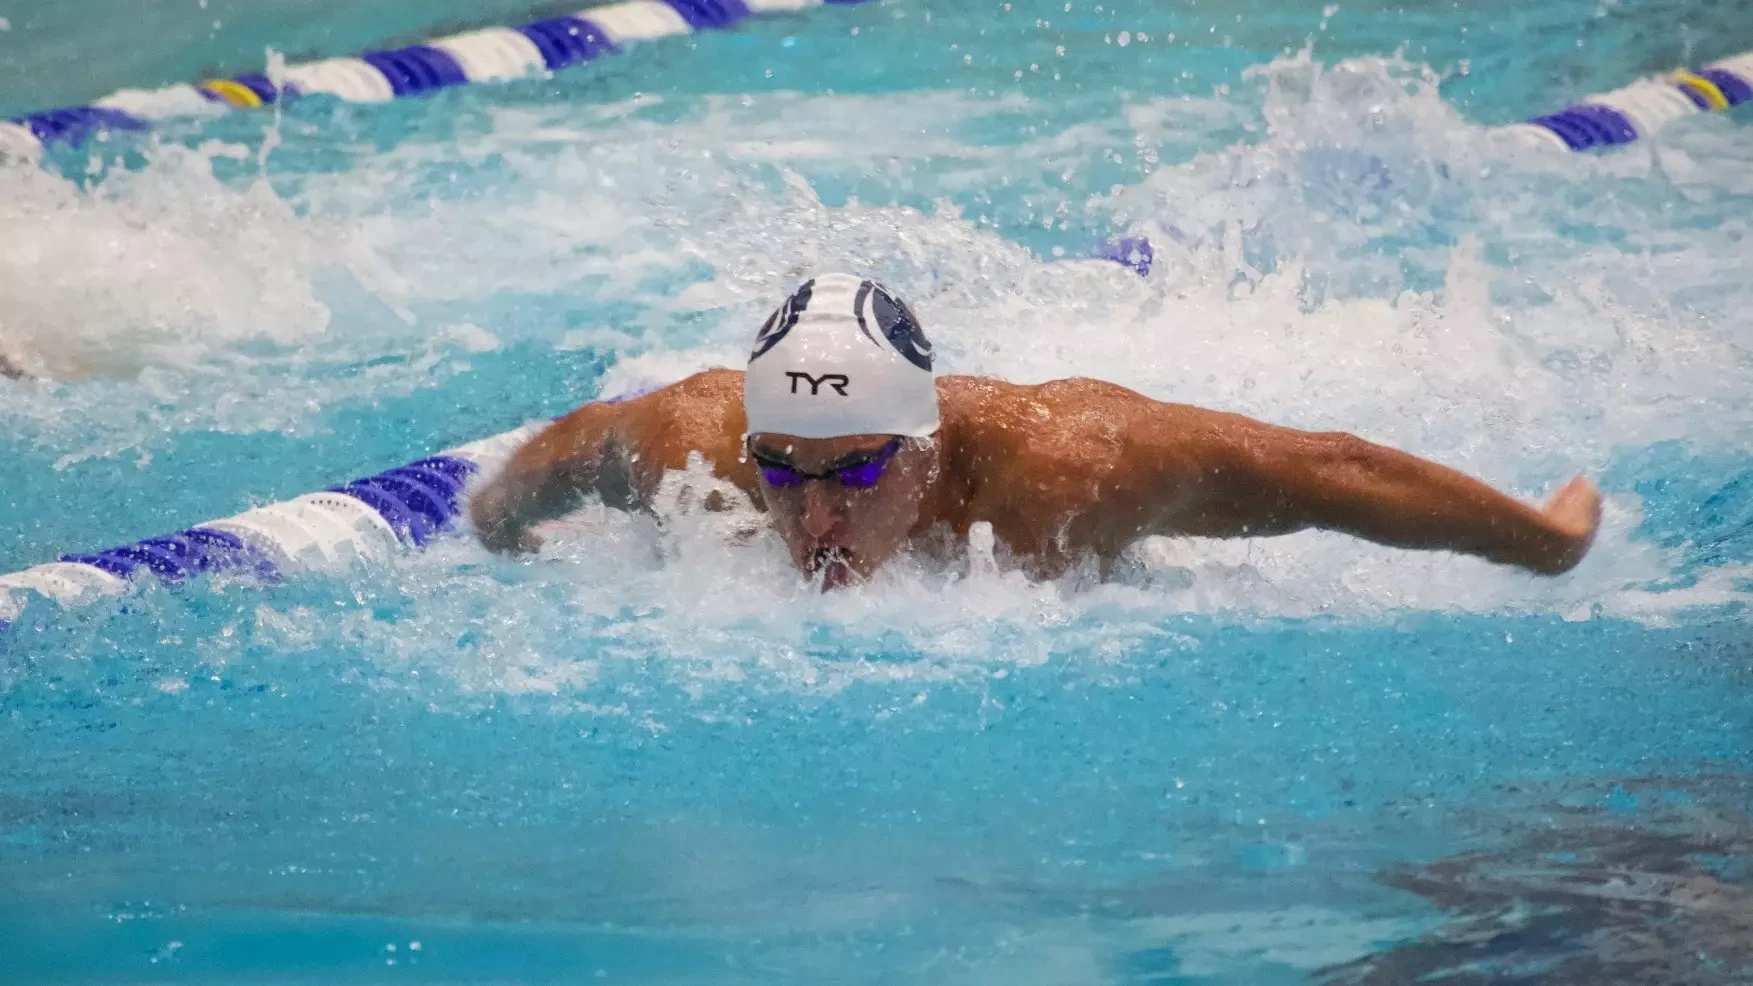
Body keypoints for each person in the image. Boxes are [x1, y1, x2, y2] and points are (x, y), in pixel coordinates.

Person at [470, 273, 1601, 587]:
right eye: (787, 473)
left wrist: (1542, 541)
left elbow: (1321, 471)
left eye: (856, 471)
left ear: (919, 446)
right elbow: (544, 468)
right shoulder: (699, 448)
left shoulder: (1072, 466)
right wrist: (496, 529)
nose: (812, 516)